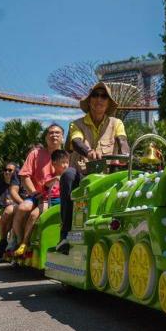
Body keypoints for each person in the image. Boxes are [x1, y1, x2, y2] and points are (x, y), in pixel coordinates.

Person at [57, 83, 130, 253]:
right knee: (68, 175)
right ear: (89, 101)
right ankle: (65, 234)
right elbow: (76, 141)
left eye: (104, 96)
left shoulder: (116, 123)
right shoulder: (76, 124)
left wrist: (127, 154)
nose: (99, 99)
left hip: (108, 177)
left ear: (108, 102)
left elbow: (123, 141)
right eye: (95, 95)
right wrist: (88, 152)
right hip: (82, 176)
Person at [9, 123, 65, 257]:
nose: (54, 135)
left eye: (57, 133)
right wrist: (34, 192)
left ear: (63, 137)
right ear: (46, 137)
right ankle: (21, 241)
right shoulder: (36, 154)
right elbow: (24, 176)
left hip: (60, 196)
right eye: (51, 133)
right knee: (23, 208)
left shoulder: (68, 155)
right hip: (38, 194)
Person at [0, 163, 27, 261]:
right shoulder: (0, 183)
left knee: (13, 214)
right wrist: (23, 203)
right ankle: (3, 241)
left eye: (10, 170)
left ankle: (16, 244)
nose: (7, 172)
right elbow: (13, 194)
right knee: (8, 212)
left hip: (30, 202)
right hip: (17, 204)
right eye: (5, 170)